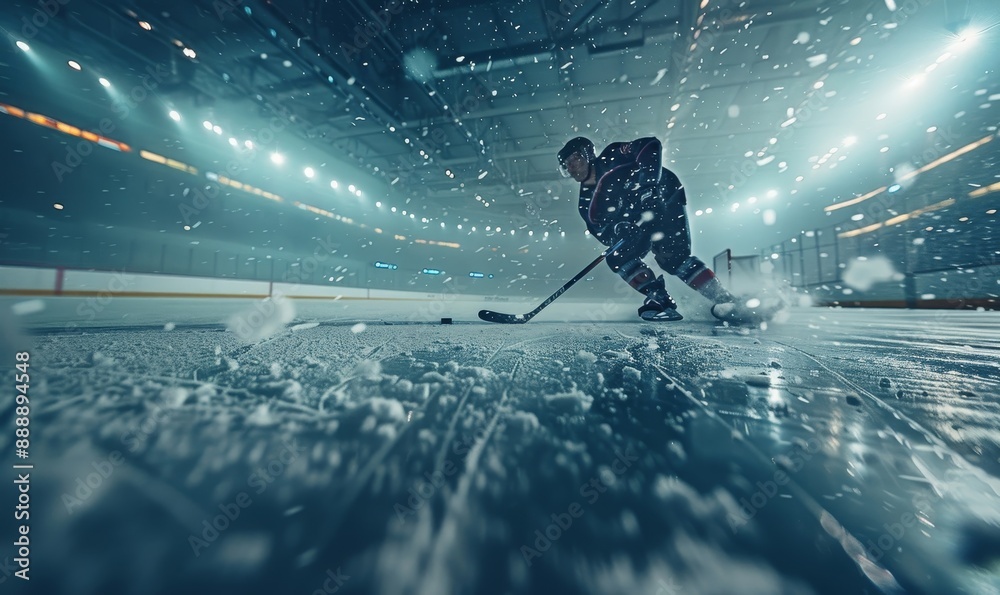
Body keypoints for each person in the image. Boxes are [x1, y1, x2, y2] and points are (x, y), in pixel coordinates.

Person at [557, 136, 738, 321]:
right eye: (566, 165)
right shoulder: (585, 204)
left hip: (665, 196)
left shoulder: (613, 155)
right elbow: (603, 233)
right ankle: (659, 297)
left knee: (673, 258)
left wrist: (649, 187)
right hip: (636, 221)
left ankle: (724, 299)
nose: (571, 168)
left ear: (587, 155)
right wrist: (620, 228)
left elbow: (650, 145)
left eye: (574, 159)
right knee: (616, 256)